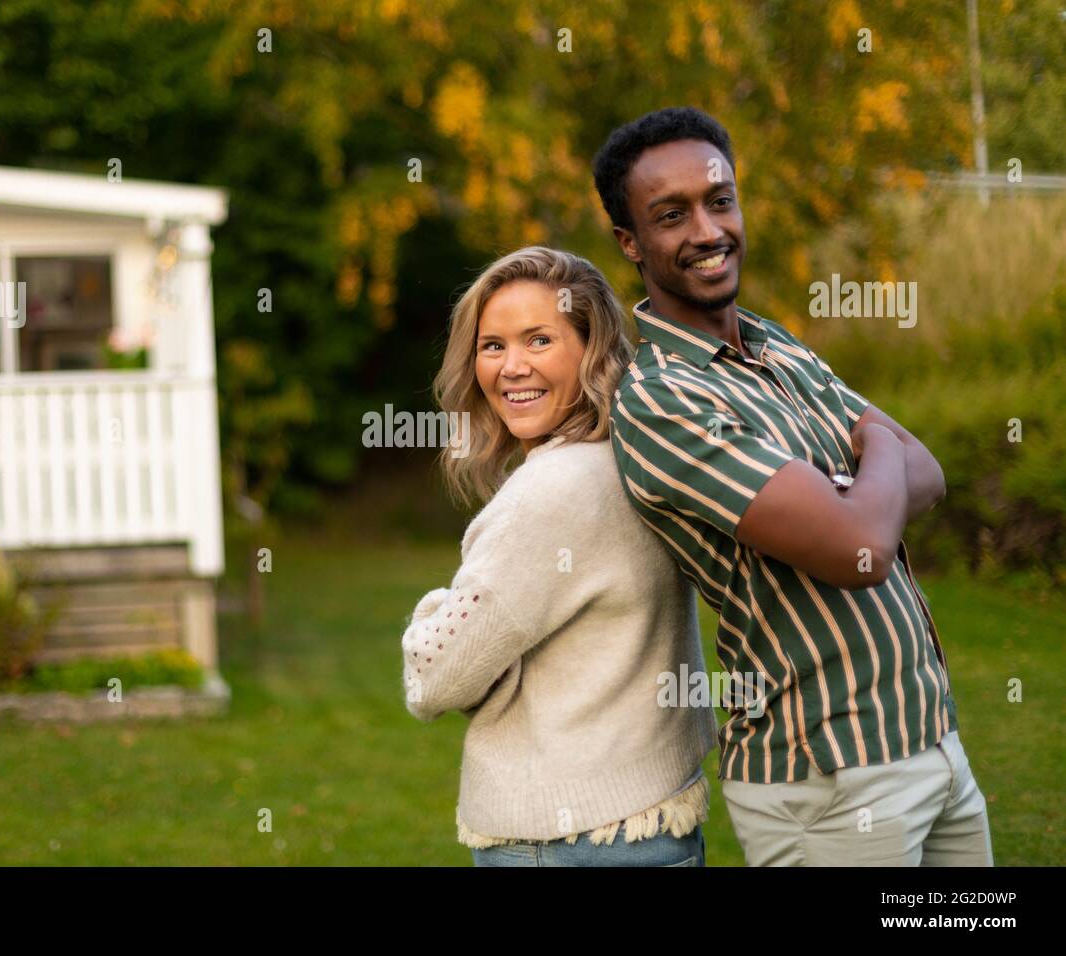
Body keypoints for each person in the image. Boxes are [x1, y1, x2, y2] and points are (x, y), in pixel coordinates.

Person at [592, 106, 993, 865]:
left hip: (932, 741)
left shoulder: (777, 344)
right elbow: (860, 548)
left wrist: (857, 484)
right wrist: (876, 447)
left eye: (720, 200)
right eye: (671, 216)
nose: (708, 231)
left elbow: (930, 475)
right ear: (631, 243)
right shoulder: (661, 399)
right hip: (829, 778)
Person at [400, 245, 718, 866]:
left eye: (538, 341)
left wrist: (435, 611)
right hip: (655, 824)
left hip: (562, 844)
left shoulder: (548, 494)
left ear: (591, 348)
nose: (511, 367)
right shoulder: (636, 460)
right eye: (492, 346)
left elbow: (432, 678)